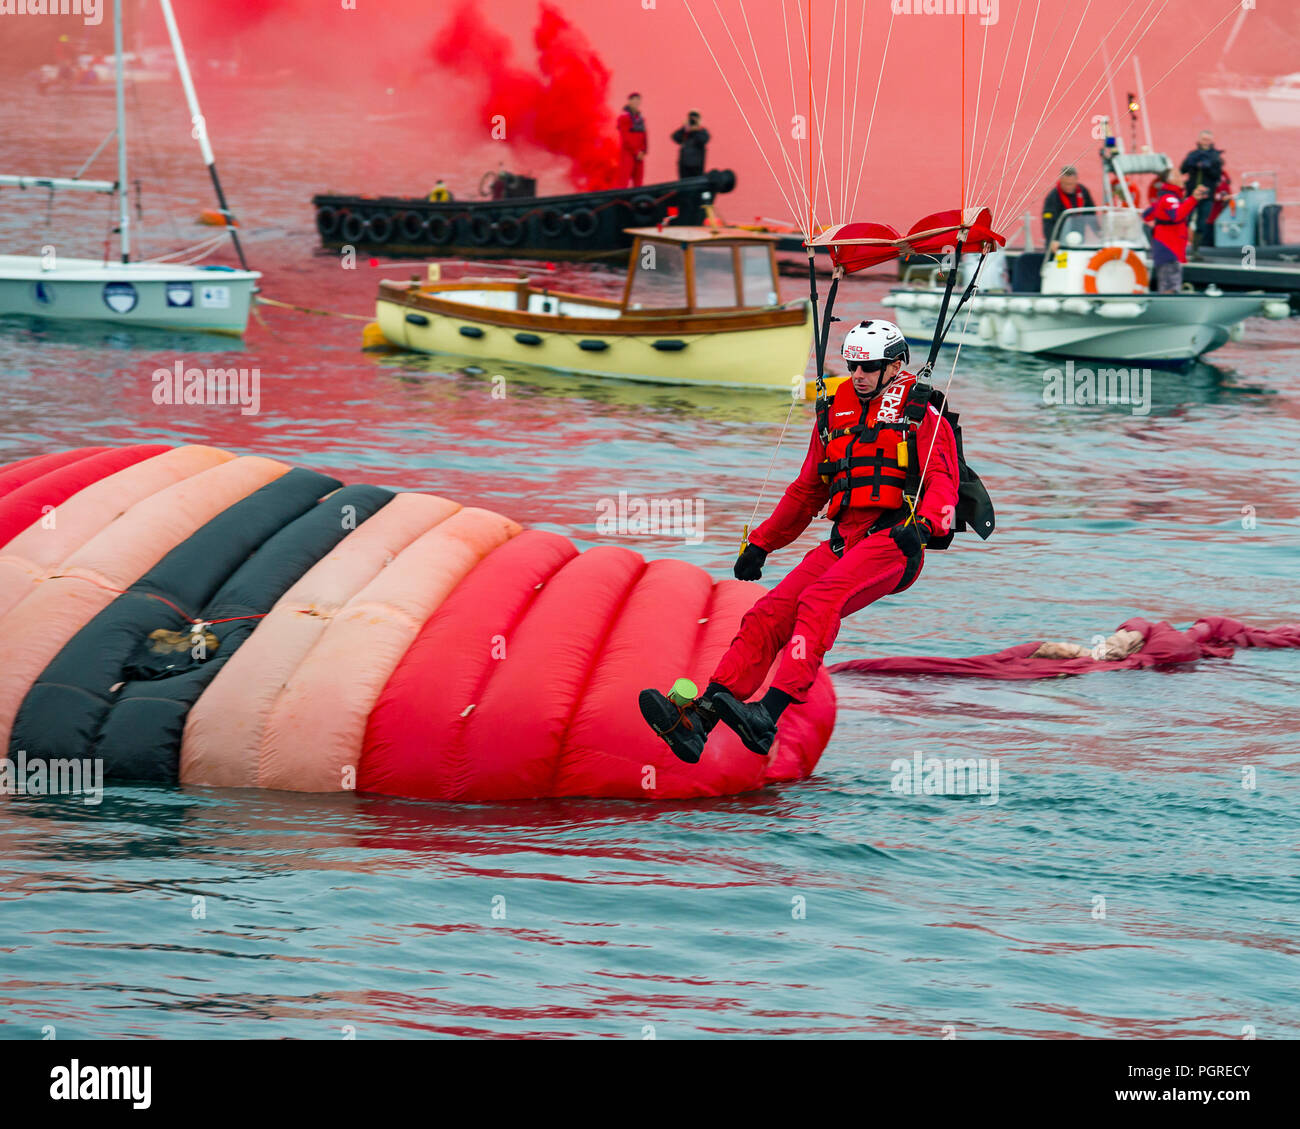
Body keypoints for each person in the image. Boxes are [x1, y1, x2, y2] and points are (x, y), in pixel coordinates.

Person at [640, 320, 960, 762]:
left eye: (870, 366)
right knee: (767, 614)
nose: (859, 375)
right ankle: (700, 722)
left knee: (819, 600)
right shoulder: (834, 410)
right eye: (853, 366)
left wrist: (925, 526)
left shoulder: (921, 410)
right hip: (843, 542)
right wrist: (762, 543)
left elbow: (944, 481)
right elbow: (808, 489)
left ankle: (767, 716)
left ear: (896, 365)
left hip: (896, 539)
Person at [1142, 176, 1210, 293]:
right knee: (1171, 284)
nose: (1182, 178)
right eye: (1178, 176)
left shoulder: (1163, 198)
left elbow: (1147, 215)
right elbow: (1177, 215)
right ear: (1172, 181)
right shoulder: (1170, 199)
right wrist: (1193, 199)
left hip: (1163, 248)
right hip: (1170, 247)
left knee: (1165, 281)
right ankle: (1168, 305)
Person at [1179, 130, 1225, 251]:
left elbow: (1217, 176)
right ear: (1199, 140)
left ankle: (1195, 250)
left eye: (1208, 139)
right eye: (1204, 139)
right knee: (1184, 220)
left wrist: (1208, 168)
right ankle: (1180, 246)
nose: (1206, 142)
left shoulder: (1216, 157)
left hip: (1206, 196)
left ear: (1211, 141)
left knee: (1201, 223)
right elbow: (1182, 170)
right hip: (1191, 194)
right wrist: (1191, 164)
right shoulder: (1192, 154)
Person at [1042, 166, 1096, 250]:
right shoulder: (1053, 197)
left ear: (1076, 180)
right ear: (1060, 180)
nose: (1068, 187)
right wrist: (1052, 240)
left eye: (1071, 184)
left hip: (1078, 236)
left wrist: (1099, 233)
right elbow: (1048, 223)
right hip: (1059, 239)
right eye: (1065, 184)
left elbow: (1091, 214)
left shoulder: (1083, 191)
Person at [617, 93, 648, 188]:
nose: (636, 102)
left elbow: (644, 136)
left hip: (639, 155)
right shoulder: (623, 118)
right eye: (634, 99)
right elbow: (625, 137)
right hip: (628, 153)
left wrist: (644, 151)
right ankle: (620, 200)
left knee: (638, 181)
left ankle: (638, 201)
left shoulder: (641, 119)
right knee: (624, 180)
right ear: (629, 101)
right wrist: (636, 151)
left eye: (638, 100)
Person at [671, 110, 710, 179]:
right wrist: (684, 128)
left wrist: (696, 130)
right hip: (684, 165)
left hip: (697, 165)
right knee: (684, 185)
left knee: (696, 186)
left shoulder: (702, 131)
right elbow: (675, 137)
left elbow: (704, 139)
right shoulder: (685, 132)